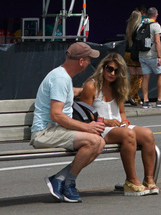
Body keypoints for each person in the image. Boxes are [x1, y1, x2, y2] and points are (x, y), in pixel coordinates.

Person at [32, 41, 107, 203]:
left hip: (56, 130)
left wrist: (84, 90)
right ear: (81, 61)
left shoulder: (62, 76)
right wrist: (87, 126)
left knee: (99, 143)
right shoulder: (60, 78)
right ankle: (69, 183)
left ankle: (60, 178)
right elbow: (56, 115)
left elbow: (65, 92)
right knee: (94, 140)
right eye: (88, 60)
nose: (89, 63)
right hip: (45, 132)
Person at [79, 51, 159, 195]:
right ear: (103, 67)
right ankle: (131, 180)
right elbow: (86, 116)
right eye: (109, 69)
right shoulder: (91, 86)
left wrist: (125, 121)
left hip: (118, 128)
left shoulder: (118, 86)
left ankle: (149, 179)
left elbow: (121, 112)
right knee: (128, 134)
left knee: (148, 134)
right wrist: (106, 121)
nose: (112, 73)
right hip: (99, 128)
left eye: (116, 71)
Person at [138, 6, 161, 108]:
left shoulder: (141, 24)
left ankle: (145, 101)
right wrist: (159, 56)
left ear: (147, 15)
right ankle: (159, 99)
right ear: (156, 15)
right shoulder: (156, 26)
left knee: (145, 77)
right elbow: (157, 41)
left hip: (142, 55)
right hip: (152, 56)